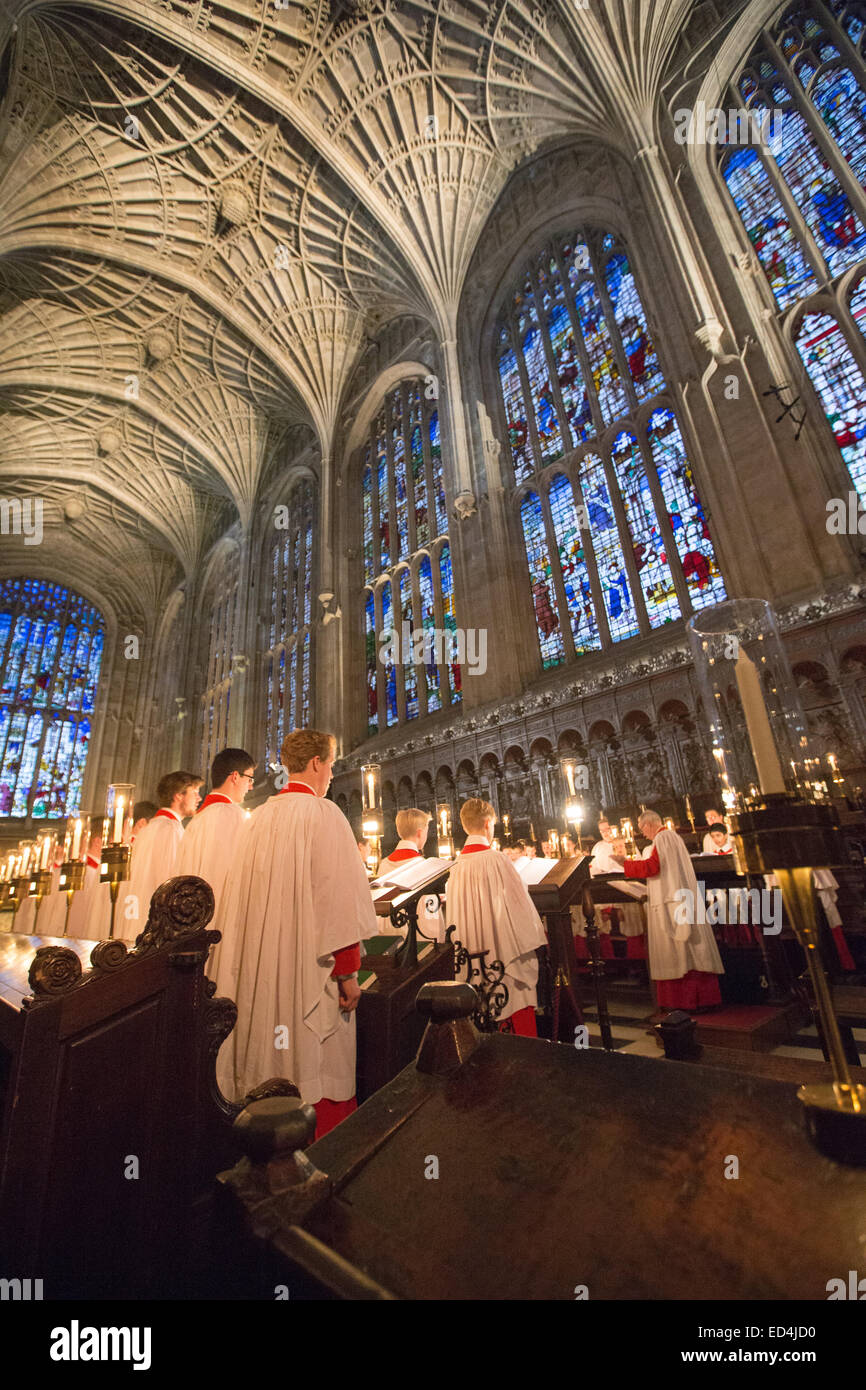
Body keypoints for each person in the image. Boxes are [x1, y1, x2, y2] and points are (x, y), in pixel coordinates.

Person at [214, 729, 376, 1140]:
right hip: (309, 967)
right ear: (317, 763)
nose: (332, 775)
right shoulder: (325, 815)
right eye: (332, 765)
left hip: (263, 965)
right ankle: (323, 1147)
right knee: (313, 1061)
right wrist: (347, 971)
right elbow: (339, 900)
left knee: (270, 1052)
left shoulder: (258, 817)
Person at [446, 798, 547, 1036]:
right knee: (514, 992)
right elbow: (519, 904)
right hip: (501, 953)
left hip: (469, 956)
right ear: (488, 823)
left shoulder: (455, 866)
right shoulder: (497, 859)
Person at [613, 809, 724, 1011]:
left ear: (649, 824)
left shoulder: (663, 837)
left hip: (671, 902)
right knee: (689, 950)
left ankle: (686, 1001)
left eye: (642, 829)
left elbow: (653, 867)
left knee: (679, 950)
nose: (643, 834)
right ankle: (701, 1000)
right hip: (680, 898)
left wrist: (625, 864)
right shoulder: (672, 837)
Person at [177, 748, 255, 983]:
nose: (250, 786)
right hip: (222, 933)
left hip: (192, 932)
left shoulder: (196, 821)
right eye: (249, 779)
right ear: (235, 777)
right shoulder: (232, 816)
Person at [128, 771, 201, 928]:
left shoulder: (150, 827)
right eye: (194, 793)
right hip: (156, 923)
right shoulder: (171, 828)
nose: (199, 798)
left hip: (136, 912)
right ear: (178, 796)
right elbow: (171, 881)